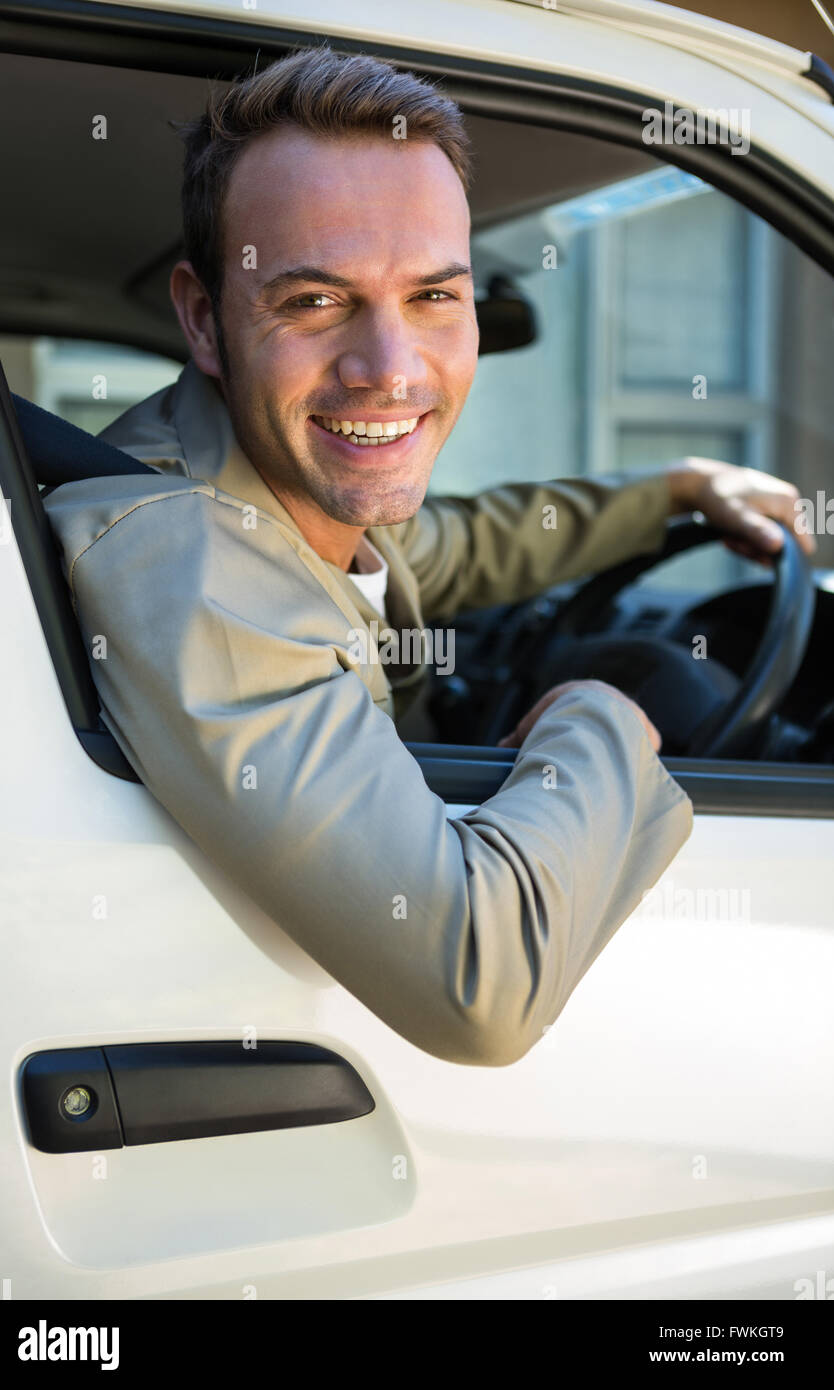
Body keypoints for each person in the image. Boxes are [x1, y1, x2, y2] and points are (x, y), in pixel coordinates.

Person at [43, 46, 811, 1065]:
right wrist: (600, 719)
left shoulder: (265, 475)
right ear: (203, 317)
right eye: (314, 302)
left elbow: (454, 547)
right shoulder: (194, 564)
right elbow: (480, 979)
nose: (389, 370)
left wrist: (669, 489)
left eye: (434, 298)